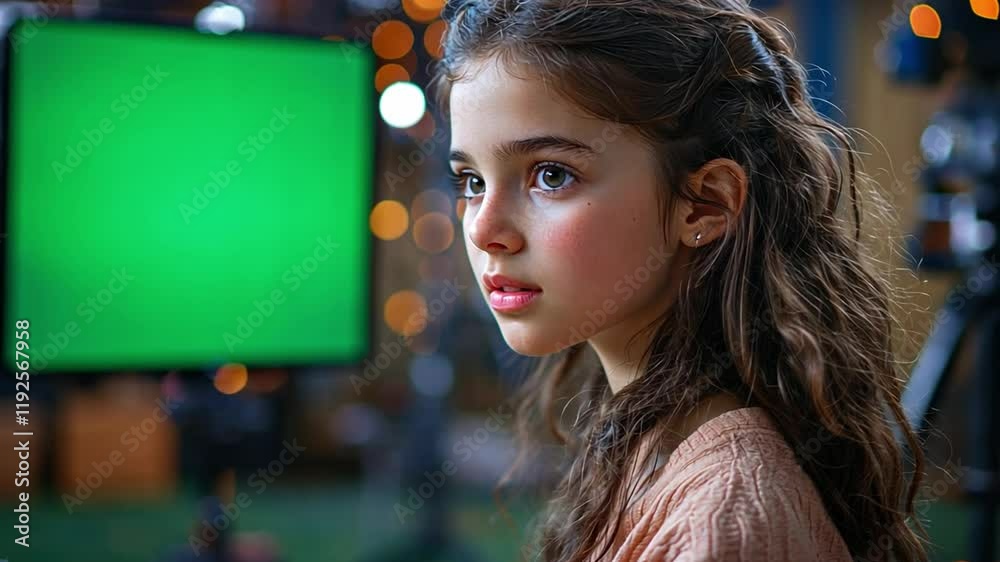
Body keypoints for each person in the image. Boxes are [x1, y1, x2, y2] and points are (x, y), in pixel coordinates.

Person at [429, 0, 928, 560]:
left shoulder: (725, 526)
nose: (484, 230)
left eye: (551, 175)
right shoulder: (649, 447)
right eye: (471, 181)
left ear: (706, 202)